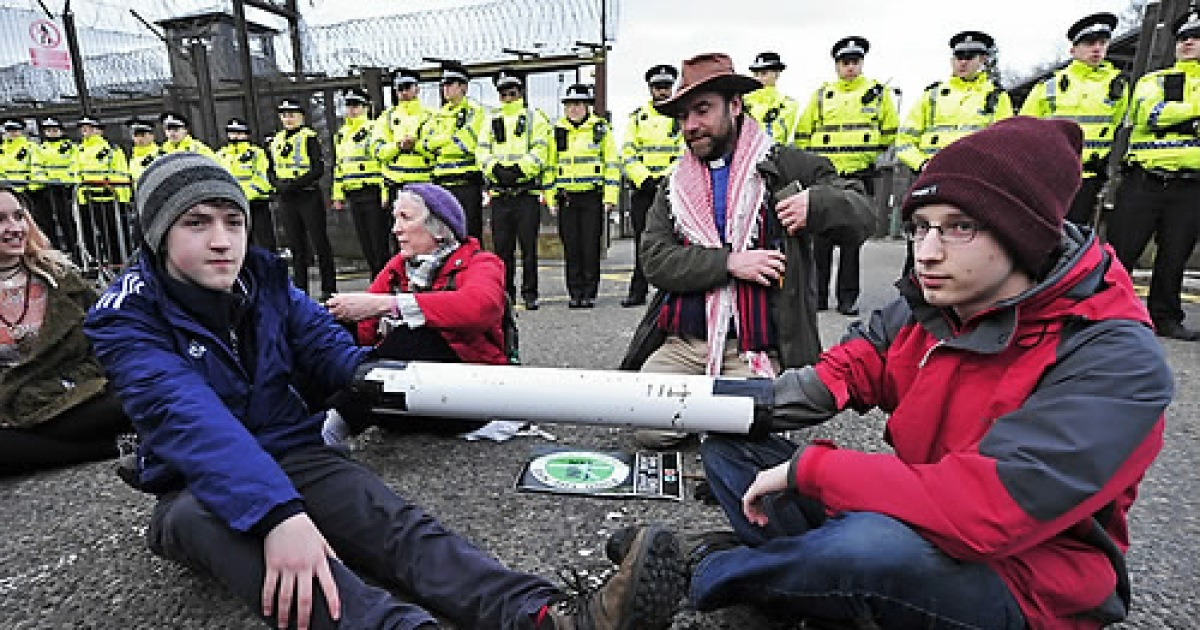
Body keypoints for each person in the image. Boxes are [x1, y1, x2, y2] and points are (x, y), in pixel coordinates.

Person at [84, 151, 685, 630]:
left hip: (289, 450)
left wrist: (379, 379)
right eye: (196, 223)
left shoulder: (265, 282)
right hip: (190, 484)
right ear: (158, 233)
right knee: (278, 558)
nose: (222, 240)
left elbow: (334, 353)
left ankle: (547, 617)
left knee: (396, 526)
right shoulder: (124, 316)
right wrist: (280, 515)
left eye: (233, 221)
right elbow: (189, 418)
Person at [650, 117, 1171, 629]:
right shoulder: (933, 305)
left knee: (868, 551)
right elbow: (845, 370)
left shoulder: (1113, 356)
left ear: (1025, 234)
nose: (927, 253)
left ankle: (705, 568)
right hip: (919, 514)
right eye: (921, 227)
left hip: (1024, 579)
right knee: (731, 446)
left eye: (960, 227)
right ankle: (804, 581)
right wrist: (737, 405)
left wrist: (812, 471)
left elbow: (990, 509)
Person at [621, 53, 874, 449]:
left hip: (753, 348)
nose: (691, 126)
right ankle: (708, 411)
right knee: (649, 430)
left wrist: (818, 204)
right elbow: (655, 260)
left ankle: (723, 410)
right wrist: (729, 263)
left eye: (703, 110)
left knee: (745, 437)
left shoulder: (785, 164)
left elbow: (863, 215)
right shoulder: (674, 185)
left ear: (735, 106)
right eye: (683, 116)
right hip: (684, 345)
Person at [325, 183, 506, 435]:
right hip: (414, 398)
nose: (396, 229)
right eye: (395, 219)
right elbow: (365, 330)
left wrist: (390, 305)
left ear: (439, 227)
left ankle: (332, 425)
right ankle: (303, 414)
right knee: (328, 330)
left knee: (414, 336)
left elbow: (480, 308)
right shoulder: (398, 266)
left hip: (471, 398)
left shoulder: (482, 262)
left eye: (406, 218)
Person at [0, 185, 130, 476]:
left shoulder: (61, 280)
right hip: (8, 410)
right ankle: (110, 447)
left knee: (134, 402)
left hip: (75, 396)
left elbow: (109, 337)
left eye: (19, 216)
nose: (15, 228)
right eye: (0, 220)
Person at [1106, 9, 1200, 342]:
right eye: (1183, 37)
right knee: (1121, 251)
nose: (1188, 42)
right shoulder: (1152, 81)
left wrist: (1181, 115)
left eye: (1196, 37)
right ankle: (1105, 313)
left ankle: (1166, 318)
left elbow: (1168, 115)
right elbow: (1152, 114)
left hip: (1190, 186)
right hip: (1144, 180)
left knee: (1174, 256)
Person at [796, 36, 899, 315]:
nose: (850, 67)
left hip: (859, 175)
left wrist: (866, 155)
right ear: (836, 65)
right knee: (821, 240)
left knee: (852, 240)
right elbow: (803, 133)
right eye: (845, 62)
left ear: (861, 63)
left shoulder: (878, 93)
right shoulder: (822, 95)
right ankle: (818, 297)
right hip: (826, 176)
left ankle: (847, 298)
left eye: (854, 62)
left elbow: (889, 130)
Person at [1020, 12, 1129, 226]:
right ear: (1073, 50)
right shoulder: (1048, 85)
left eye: (1102, 42)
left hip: (1088, 180)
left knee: (1074, 237)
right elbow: (1023, 130)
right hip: (1049, 176)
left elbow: (1118, 128)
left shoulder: (1118, 86)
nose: (1096, 48)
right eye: (1089, 43)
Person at [477, 67, 554, 310]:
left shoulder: (534, 118)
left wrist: (520, 170)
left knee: (529, 248)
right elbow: (482, 151)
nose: (508, 98)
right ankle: (506, 294)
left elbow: (541, 149)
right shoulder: (490, 119)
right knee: (502, 250)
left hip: (525, 194)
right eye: (503, 94)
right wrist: (496, 169)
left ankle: (530, 293)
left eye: (512, 93)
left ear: (520, 93)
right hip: (500, 194)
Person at [895, 31, 1013, 173]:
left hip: (975, 176)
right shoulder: (932, 95)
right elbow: (904, 140)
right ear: (952, 60)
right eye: (959, 56)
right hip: (932, 176)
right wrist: (922, 164)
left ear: (982, 59)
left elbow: (1004, 143)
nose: (963, 62)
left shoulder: (997, 96)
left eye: (970, 57)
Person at [550, 83, 619, 308]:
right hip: (567, 198)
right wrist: (551, 197)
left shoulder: (600, 129)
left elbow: (611, 164)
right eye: (569, 105)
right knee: (571, 247)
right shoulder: (557, 131)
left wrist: (610, 197)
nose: (573, 109)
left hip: (592, 196)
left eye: (578, 104)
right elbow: (550, 167)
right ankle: (574, 292)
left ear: (587, 106)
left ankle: (589, 292)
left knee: (590, 246)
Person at [620, 64, 684, 308]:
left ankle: (671, 290)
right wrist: (643, 178)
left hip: (671, 189)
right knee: (642, 241)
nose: (662, 91)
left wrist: (664, 179)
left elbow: (684, 152)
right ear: (650, 89)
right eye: (658, 87)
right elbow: (628, 152)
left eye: (666, 86)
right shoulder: (637, 118)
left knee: (673, 241)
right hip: (643, 189)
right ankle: (638, 290)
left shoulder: (680, 116)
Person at [269, 98, 337, 300]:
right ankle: (300, 290)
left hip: (307, 194)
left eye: (292, 115)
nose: (288, 119)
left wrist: (294, 184)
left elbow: (318, 169)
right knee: (296, 245)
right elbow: (271, 168)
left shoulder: (309, 137)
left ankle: (329, 288)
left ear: (301, 117)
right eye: (284, 115)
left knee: (319, 241)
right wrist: (277, 184)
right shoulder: (276, 140)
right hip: (287, 198)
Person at [420, 62, 487, 241]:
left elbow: (467, 145)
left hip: (467, 183)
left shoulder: (475, 113)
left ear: (463, 87)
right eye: (443, 85)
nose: (445, 89)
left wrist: (440, 144)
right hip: (442, 184)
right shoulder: (437, 115)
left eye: (450, 84)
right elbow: (425, 145)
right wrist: (449, 139)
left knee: (469, 235)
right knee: (444, 236)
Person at [332, 88, 388, 277]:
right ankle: (375, 276)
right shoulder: (342, 134)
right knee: (365, 241)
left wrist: (384, 191)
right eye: (348, 105)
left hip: (372, 191)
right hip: (353, 193)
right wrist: (338, 194)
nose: (351, 110)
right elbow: (340, 166)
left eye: (356, 105)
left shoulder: (375, 129)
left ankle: (383, 279)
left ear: (366, 107)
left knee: (378, 241)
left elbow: (383, 162)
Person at [73, 116, 133, 268]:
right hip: (88, 199)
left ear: (98, 130)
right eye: (83, 127)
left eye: (89, 127)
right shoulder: (79, 150)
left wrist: (122, 199)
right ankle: (97, 266)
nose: (85, 130)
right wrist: (81, 197)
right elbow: (77, 173)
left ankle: (119, 265)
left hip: (110, 199)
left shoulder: (112, 149)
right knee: (91, 237)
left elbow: (120, 173)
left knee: (114, 236)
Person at [373, 69, 433, 204]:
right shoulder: (386, 118)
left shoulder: (430, 116)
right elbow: (378, 150)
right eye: (400, 88)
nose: (404, 92)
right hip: (395, 185)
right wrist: (398, 146)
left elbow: (436, 149)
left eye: (407, 87)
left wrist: (415, 145)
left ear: (417, 89)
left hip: (424, 184)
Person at [216, 117, 276, 251]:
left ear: (246, 134)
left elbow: (262, 177)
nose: (235, 136)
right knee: (240, 242)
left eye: (239, 133)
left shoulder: (257, 153)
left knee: (265, 242)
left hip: (256, 202)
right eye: (232, 133)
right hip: (232, 204)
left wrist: (245, 194)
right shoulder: (220, 155)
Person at [28, 117, 78, 255]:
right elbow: (37, 167)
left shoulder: (71, 147)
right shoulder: (40, 149)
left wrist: (66, 181)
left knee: (68, 222)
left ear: (61, 131)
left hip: (66, 189)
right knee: (47, 223)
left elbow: (75, 165)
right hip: (47, 189)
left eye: (55, 130)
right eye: (48, 130)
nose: (52, 133)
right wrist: (44, 181)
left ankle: (75, 252)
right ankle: (54, 252)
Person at [744, 52, 800, 145]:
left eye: (764, 73)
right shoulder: (743, 100)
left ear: (776, 74)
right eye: (756, 74)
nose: (758, 78)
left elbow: (777, 136)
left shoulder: (787, 104)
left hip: (770, 152)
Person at [127, 118, 164, 186]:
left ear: (152, 136)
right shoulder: (130, 157)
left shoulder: (161, 155)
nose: (139, 138)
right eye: (136, 135)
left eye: (142, 135)